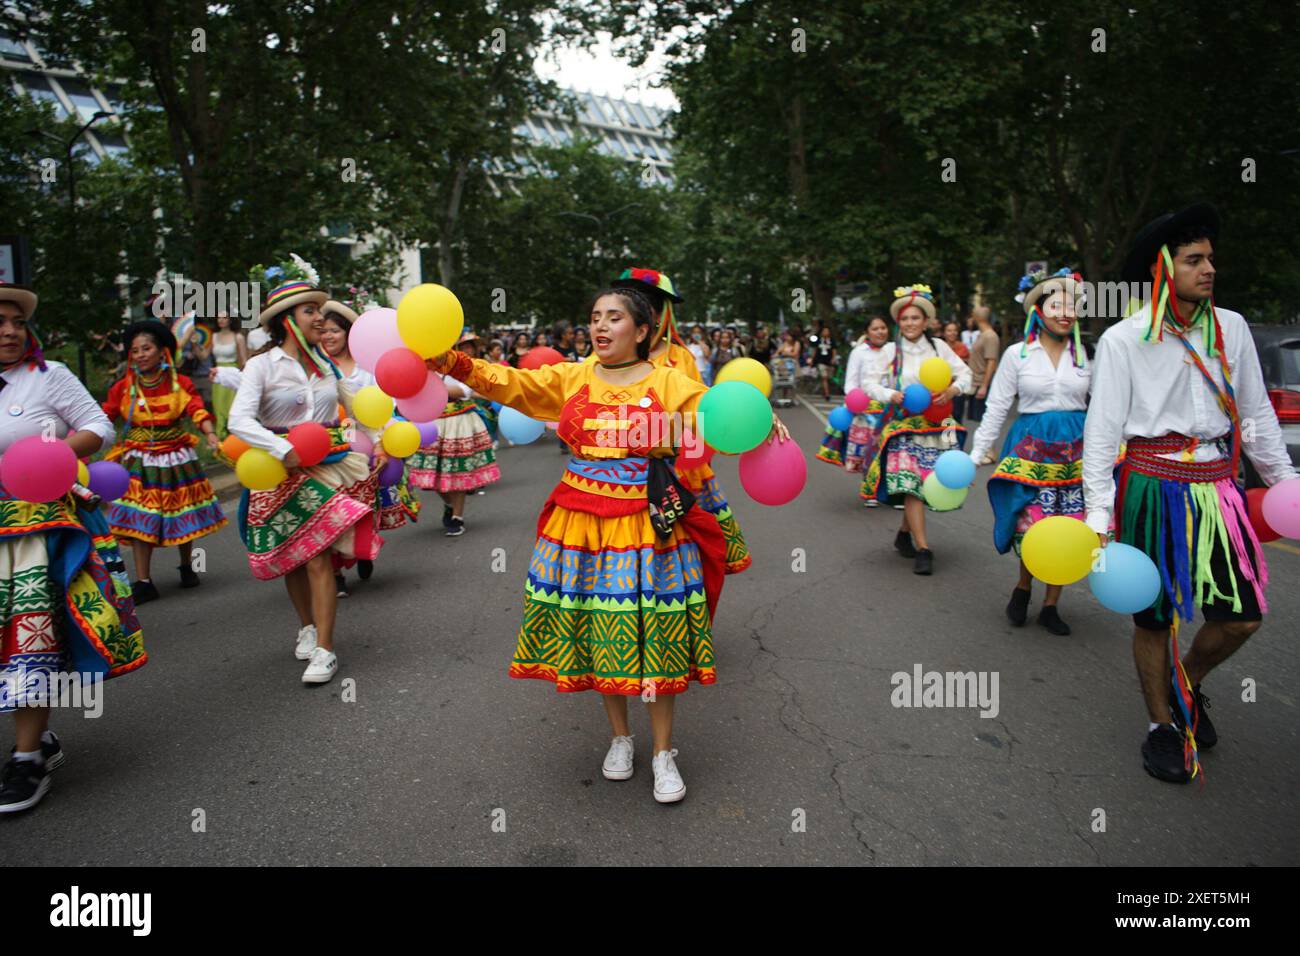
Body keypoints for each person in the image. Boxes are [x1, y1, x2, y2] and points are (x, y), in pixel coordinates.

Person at [428, 284, 789, 804]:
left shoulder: (670, 382)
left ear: (642, 331)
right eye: (594, 317)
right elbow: (509, 383)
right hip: (579, 525)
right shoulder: (572, 376)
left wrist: (760, 419)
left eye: (614, 318)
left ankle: (664, 752)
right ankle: (620, 738)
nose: (599, 327)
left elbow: (718, 416)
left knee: (654, 637)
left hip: (648, 528)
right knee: (601, 629)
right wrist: (450, 362)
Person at [1083, 203, 1297, 784]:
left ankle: (1185, 682)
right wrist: (1099, 515)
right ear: (1163, 267)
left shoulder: (1232, 328)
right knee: (1153, 618)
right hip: (1151, 486)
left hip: (1219, 487)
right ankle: (1161, 726)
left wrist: (1285, 486)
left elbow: (1254, 417)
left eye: (1210, 259)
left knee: (1242, 617)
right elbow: (1102, 433)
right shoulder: (1124, 339)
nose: (1209, 269)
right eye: (1194, 259)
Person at [0, 282, 146, 812]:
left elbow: (98, 428)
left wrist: (48, 459)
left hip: (36, 528)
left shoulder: (48, 377)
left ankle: (24, 760)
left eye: (17, 321)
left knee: (30, 641)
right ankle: (36, 741)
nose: (11, 330)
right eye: (0, 322)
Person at [228, 267, 383, 684]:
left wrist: (380, 439)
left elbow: (358, 405)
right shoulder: (261, 367)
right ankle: (307, 625)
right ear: (287, 320)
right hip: (277, 472)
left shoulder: (327, 367)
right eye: (310, 311)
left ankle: (326, 649)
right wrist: (284, 449)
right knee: (292, 560)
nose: (320, 319)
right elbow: (238, 420)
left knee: (318, 558)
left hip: (325, 472)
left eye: (320, 310)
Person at [610, 267, 762, 574]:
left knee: (678, 553)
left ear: (659, 314)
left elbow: (702, 412)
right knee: (622, 557)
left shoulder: (681, 358)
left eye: (648, 305)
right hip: (618, 476)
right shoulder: (603, 359)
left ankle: (674, 613)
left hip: (677, 472)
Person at [971, 269, 1092, 636]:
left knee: (1069, 524)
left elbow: (1103, 404)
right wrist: (978, 451)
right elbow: (997, 404)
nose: (1065, 312)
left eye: (1072, 306)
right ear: (1038, 310)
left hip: (1075, 448)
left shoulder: (1085, 354)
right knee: (1033, 523)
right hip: (1030, 447)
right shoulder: (1017, 354)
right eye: (1057, 305)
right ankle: (1024, 585)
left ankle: (1052, 605)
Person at [101, 321, 227, 603]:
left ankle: (188, 566)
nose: (141, 354)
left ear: (162, 352)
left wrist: (209, 435)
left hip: (175, 458)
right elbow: (104, 416)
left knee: (181, 512)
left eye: (147, 348)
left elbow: (196, 409)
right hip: (137, 460)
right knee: (140, 517)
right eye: (135, 350)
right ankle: (144, 581)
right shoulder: (124, 387)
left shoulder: (179, 383)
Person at [860, 285, 971, 574]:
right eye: (905, 319)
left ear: (926, 322)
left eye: (915, 318)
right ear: (899, 321)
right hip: (903, 428)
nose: (910, 323)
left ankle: (903, 534)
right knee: (911, 485)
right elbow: (869, 383)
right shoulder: (889, 351)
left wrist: (952, 390)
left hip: (936, 427)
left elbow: (966, 374)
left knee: (926, 485)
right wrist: (890, 395)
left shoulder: (939, 348)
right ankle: (925, 549)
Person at [319, 300, 419, 595]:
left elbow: (380, 405)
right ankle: (334, 571)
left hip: (367, 443)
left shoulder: (366, 367)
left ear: (347, 333)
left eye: (334, 331)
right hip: (330, 448)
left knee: (363, 507)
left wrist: (384, 441)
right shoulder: (319, 367)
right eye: (323, 331)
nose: (328, 337)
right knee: (331, 508)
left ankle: (361, 550)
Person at [407, 330, 501, 535]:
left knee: (458, 472)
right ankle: (449, 505)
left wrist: (436, 389)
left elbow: (466, 390)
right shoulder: (420, 365)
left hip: (459, 421)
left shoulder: (458, 363)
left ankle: (457, 515)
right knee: (431, 475)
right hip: (431, 422)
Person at [817, 316, 891, 488]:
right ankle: (870, 487)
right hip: (865, 410)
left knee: (892, 450)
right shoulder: (859, 352)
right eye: (875, 329)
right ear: (867, 332)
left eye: (883, 327)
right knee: (869, 451)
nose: (880, 332)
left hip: (890, 406)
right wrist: (857, 403)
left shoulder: (893, 351)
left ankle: (891, 490)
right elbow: (850, 383)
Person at [209, 311, 248, 437]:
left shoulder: (238, 337)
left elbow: (244, 361)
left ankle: (235, 437)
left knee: (232, 407)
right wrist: (195, 343)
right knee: (219, 406)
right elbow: (203, 355)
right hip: (217, 374)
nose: (221, 320)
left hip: (232, 373)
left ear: (230, 319)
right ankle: (220, 437)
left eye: (224, 317)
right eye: (218, 317)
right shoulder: (213, 336)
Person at [965, 306, 1000, 422]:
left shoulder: (990, 336)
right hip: (975, 384)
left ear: (977, 318)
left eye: (972, 316)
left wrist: (984, 386)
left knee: (982, 423)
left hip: (982, 385)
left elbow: (991, 362)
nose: (971, 319)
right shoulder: (982, 335)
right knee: (974, 421)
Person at [941, 319, 971, 423]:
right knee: (946, 420)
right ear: (944, 333)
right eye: (949, 330)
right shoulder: (939, 348)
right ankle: (948, 438)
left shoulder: (962, 347)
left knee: (957, 418)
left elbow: (966, 367)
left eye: (954, 330)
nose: (952, 333)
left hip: (957, 389)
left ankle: (956, 439)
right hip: (941, 390)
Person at [773, 329, 800, 407]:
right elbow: (778, 352)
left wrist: (786, 353)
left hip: (792, 364)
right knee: (784, 380)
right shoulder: (785, 343)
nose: (787, 337)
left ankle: (793, 397)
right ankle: (784, 397)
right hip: (784, 365)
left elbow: (795, 353)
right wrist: (776, 355)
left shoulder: (796, 343)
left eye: (788, 336)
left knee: (792, 382)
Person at [811, 324, 837, 401]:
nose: (825, 332)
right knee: (824, 377)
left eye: (827, 331)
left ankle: (824, 390)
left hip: (829, 361)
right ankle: (827, 394)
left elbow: (834, 350)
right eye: (824, 331)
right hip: (820, 361)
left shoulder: (832, 340)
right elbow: (815, 350)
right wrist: (812, 359)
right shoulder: (818, 340)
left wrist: (833, 358)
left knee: (828, 377)